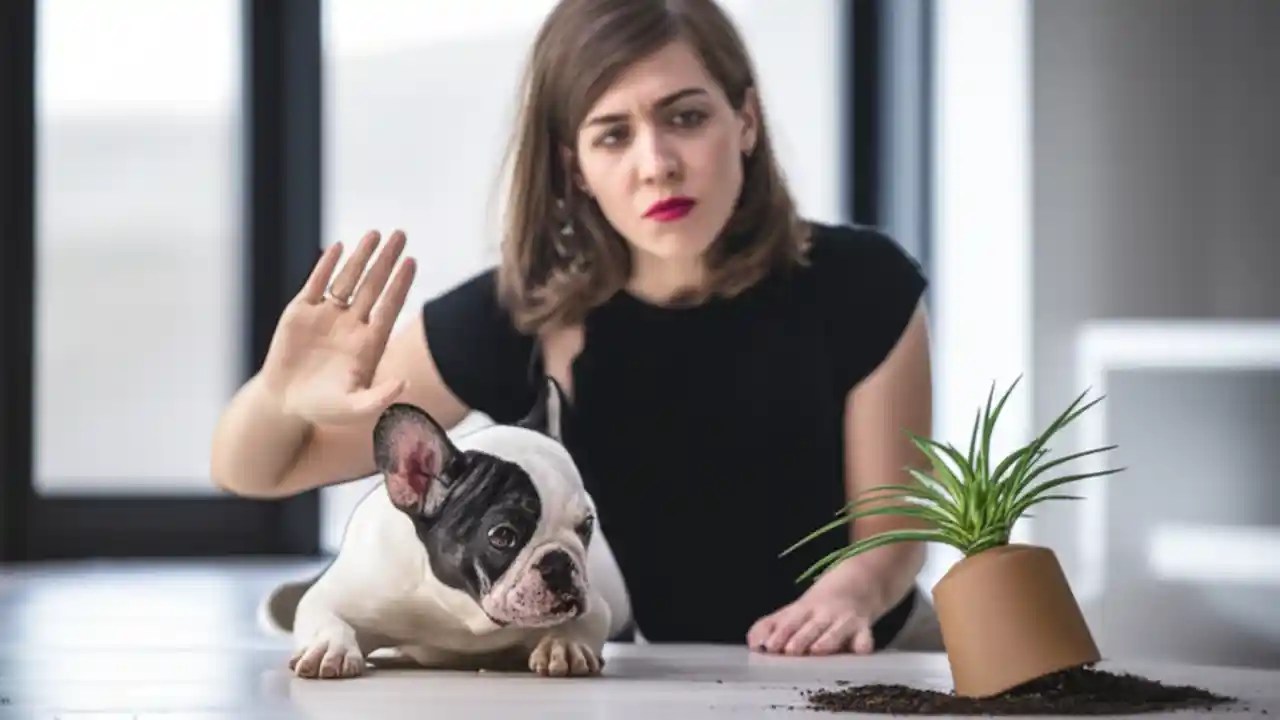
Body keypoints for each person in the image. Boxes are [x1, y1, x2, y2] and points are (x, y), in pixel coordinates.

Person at [211, 0, 940, 656]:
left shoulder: (863, 283)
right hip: (649, 675)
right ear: (576, 166)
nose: (657, 164)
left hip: (870, 647)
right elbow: (258, 469)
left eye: (686, 117)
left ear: (744, 120)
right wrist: (278, 394)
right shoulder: (521, 311)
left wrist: (849, 596)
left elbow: (894, 535)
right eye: (613, 134)